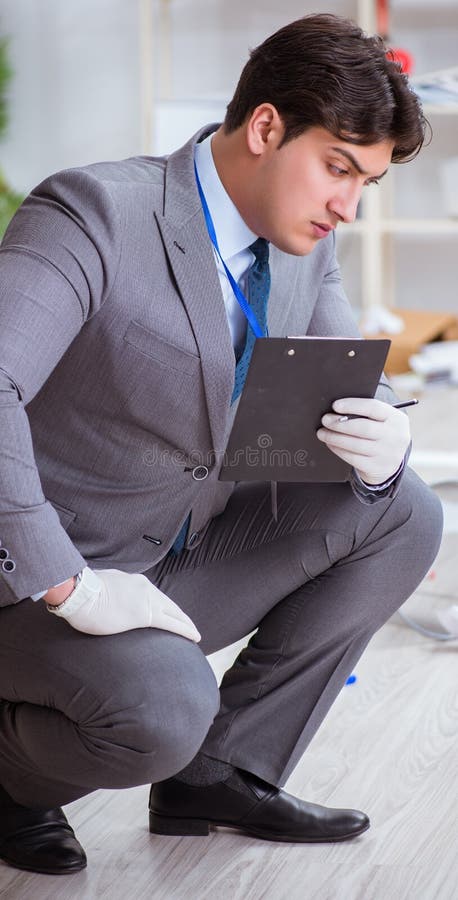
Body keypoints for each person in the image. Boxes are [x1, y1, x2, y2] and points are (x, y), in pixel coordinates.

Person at [0, 13, 443, 876]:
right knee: (166, 707)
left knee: (403, 510)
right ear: (267, 126)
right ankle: (12, 780)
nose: (348, 205)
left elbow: (341, 375)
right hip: (35, 580)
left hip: (165, 558)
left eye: (367, 183)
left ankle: (220, 772)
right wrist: (63, 580)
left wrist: (382, 428)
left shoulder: (302, 244)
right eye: (338, 168)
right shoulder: (93, 211)